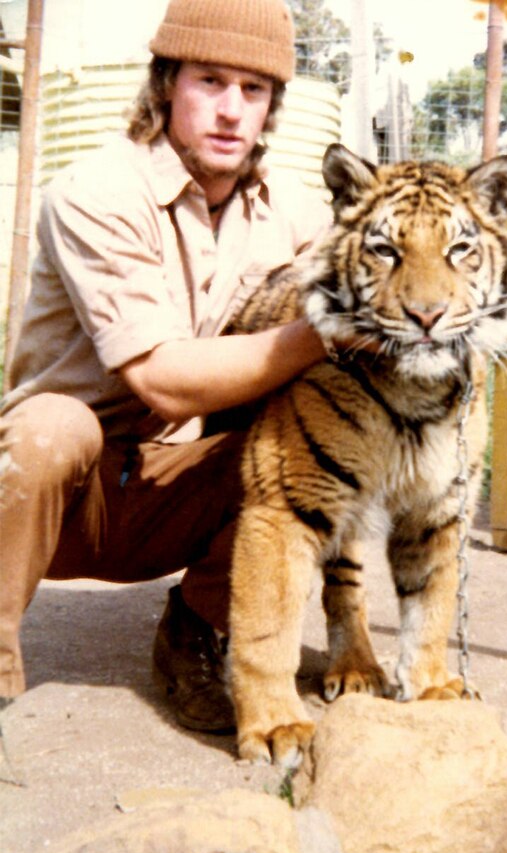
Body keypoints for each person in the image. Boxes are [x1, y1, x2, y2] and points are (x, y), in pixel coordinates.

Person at [0, 0, 337, 733]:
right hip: (54, 500)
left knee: (308, 456)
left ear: (273, 104)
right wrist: (322, 331)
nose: (229, 110)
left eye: (253, 90)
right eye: (208, 81)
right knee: (53, 426)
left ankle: (196, 631)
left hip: (168, 485)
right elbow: (159, 376)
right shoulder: (96, 189)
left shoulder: (294, 212)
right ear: (164, 85)